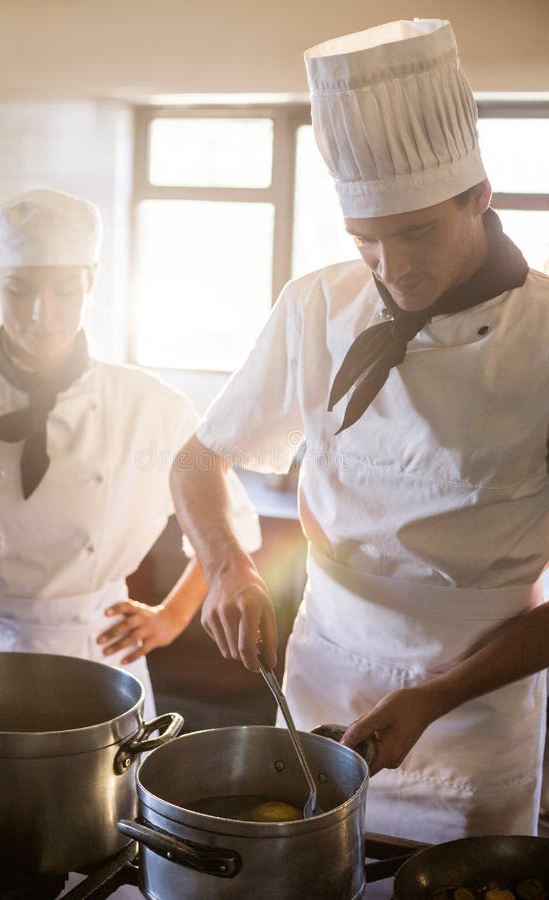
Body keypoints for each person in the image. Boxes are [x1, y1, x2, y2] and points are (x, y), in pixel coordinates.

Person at [170, 18, 549, 843]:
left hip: (474, 708)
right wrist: (226, 565)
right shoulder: (317, 305)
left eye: (415, 232)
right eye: (366, 241)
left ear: (479, 195)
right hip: (320, 675)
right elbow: (199, 462)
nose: (393, 268)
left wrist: (437, 695)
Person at [0, 187, 260, 718]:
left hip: (99, 650)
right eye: (21, 290)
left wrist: (171, 617)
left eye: (65, 291)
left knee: (98, 797)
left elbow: (230, 529)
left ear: (91, 281)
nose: (42, 314)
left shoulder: (149, 406)